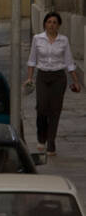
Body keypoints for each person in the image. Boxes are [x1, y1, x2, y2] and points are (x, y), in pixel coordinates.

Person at [25, 12, 81, 155]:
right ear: (44, 24)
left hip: (58, 78)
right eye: (49, 22)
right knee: (42, 107)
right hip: (43, 77)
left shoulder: (64, 40)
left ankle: (51, 142)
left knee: (55, 110)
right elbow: (32, 60)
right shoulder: (37, 39)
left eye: (55, 22)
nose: (51, 25)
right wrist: (29, 78)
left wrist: (75, 81)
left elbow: (69, 62)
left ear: (59, 25)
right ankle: (41, 137)